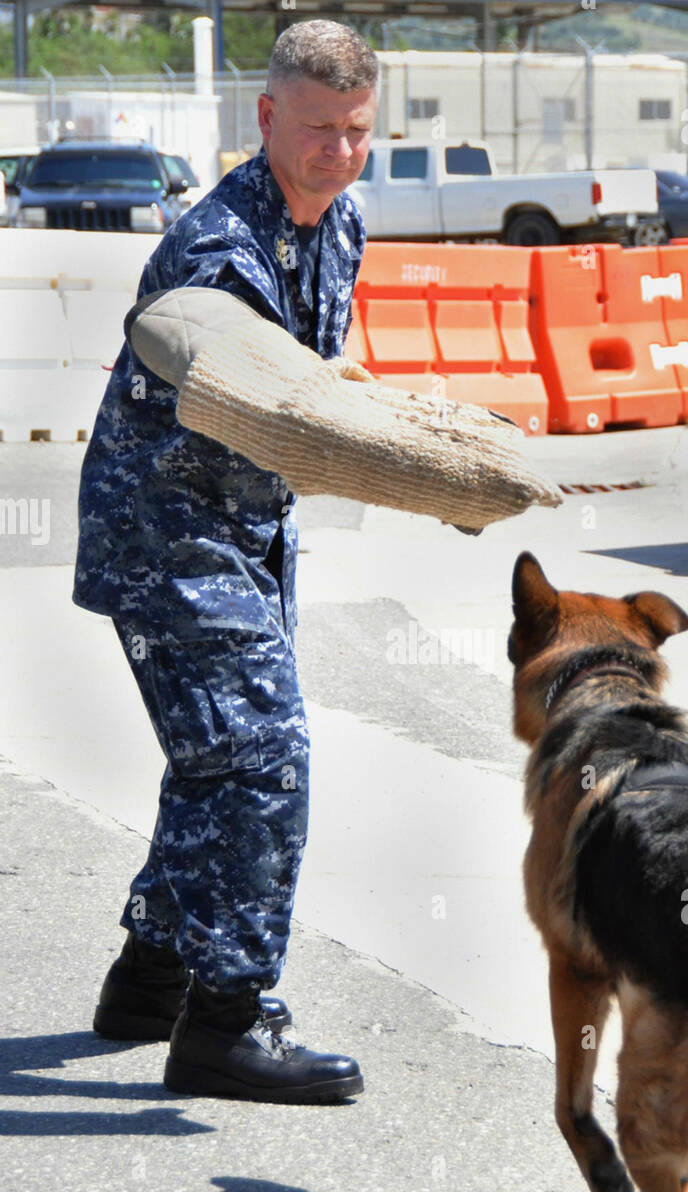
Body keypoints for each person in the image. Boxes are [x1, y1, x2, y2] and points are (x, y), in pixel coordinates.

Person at [77, 19, 379, 1103]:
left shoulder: (341, 225)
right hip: (167, 527)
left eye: (354, 130)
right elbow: (278, 399)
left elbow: (335, 359)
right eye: (315, 130)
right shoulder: (219, 247)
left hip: (242, 529)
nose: (336, 151)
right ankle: (227, 1018)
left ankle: (150, 974)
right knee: (265, 754)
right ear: (265, 120)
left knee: (218, 754)